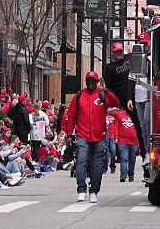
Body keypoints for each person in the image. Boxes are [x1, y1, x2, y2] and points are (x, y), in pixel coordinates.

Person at [61, 71, 120, 204]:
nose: (91, 82)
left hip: (99, 136)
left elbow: (116, 102)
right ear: (86, 81)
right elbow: (71, 116)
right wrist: (69, 134)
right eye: (89, 80)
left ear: (97, 82)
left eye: (93, 80)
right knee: (81, 162)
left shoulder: (102, 94)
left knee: (97, 165)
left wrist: (107, 91)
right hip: (82, 135)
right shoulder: (79, 96)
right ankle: (81, 190)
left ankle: (94, 191)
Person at [103, 41, 145, 158]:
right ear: (112, 53)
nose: (119, 54)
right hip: (125, 100)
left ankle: (145, 152)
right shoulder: (110, 68)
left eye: (120, 51)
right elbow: (109, 88)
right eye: (117, 52)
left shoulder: (129, 58)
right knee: (138, 126)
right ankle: (144, 154)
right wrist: (115, 103)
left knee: (144, 125)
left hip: (138, 94)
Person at [112, 108, 140, 182]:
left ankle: (131, 175)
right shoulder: (119, 114)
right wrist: (116, 137)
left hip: (134, 141)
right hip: (122, 141)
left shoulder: (137, 115)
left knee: (132, 159)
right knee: (124, 158)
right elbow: (116, 125)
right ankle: (123, 176)